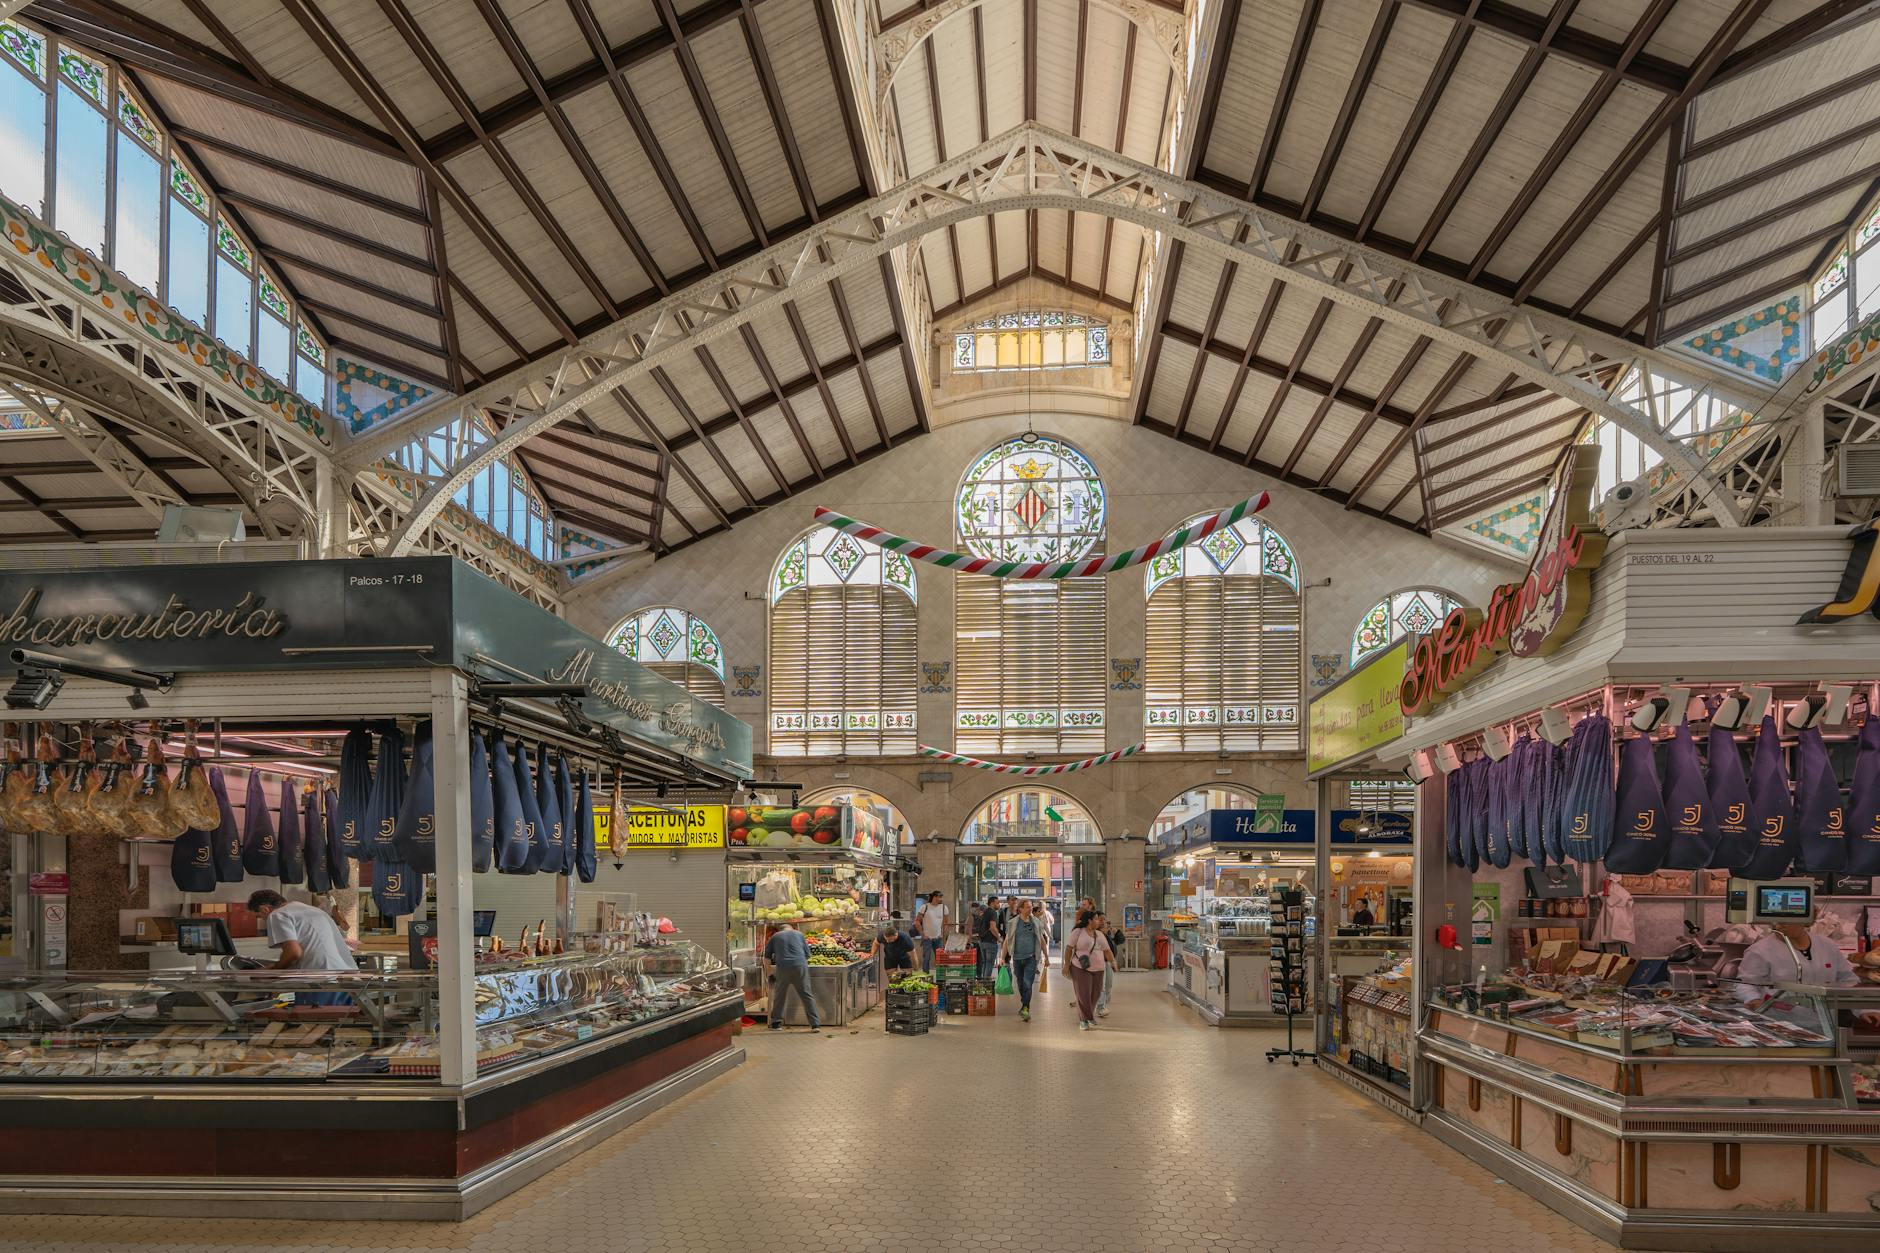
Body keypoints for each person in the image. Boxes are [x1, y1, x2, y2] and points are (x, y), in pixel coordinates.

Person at [248, 889, 358, 1007]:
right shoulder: (313, 910)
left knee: (315, 1023)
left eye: (260, 916)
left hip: (319, 982)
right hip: (345, 978)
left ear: (265, 909)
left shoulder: (277, 914)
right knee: (340, 1021)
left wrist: (273, 971)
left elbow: (293, 953)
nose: (264, 920)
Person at [1735, 921, 1858, 1004]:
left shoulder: (1827, 945)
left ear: (1805, 921)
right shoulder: (1760, 950)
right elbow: (1746, 983)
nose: (1780, 927)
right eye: (1776, 922)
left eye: (1787, 922)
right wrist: (1752, 1000)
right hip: (1778, 1020)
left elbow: (1848, 980)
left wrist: (1863, 1010)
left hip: (1826, 1020)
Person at [763, 921, 821, 1031]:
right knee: (806, 994)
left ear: (780, 929)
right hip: (800, 966)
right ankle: (815, 1025)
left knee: (780, 995)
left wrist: (770, 973)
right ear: (791, 928)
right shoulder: (799, 934)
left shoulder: (775, 936)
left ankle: (776, 1023)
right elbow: (808, 955)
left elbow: (766, 958)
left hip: (783, 967)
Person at [1064, 908, 1113, 1030]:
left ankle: (1088, 1016)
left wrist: (1113, 962)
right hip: (1080, 967)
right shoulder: (1078, 932)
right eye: (1096, 919)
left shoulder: (1100, 934)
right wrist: (1066, 964)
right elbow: (1069, 948)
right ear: (1089, 920)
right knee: (1083, 994)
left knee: (1096, 994)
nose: (1099, 921)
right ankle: (1084, 1020)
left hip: (1099, 969)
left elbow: (1107, 950)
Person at [1000, 898, 1046, 1021]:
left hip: (1031, 958)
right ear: (1020, 909)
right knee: (1020, 984)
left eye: (1031, 906)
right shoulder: (1013, 923)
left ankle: (1025, 1008)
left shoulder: (1036, 922)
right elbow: (1006, 941)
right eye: (1027, 907)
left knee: (1027, 983)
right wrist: (1002, 957)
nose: (1030, 909)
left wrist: (1046, 957)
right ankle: (1024, 1005)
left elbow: (1041, 940)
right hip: (1017, 958)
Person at [1095, 914, 1126, 1018]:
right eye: (1101, 919)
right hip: (1100, 962)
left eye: (1105, 919)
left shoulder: (1108, 932)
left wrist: (1117, 932)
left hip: (1108, 962)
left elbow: (1120, 940)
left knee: (1108, 984)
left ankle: (1103, 1003)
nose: (1103, 921)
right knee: (1102, 986)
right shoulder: (1095, 933)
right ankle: (1101, 1007)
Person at [917, 890, 948, 971]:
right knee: (926, 958)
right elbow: (917, 921)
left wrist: (942, 933)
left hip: (938, 937)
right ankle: (925, 976)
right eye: (939, 897)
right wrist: (922, 933)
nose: (941, 899)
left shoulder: (944, 907)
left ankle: (940, 977)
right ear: (934, 897)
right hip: (927, 938)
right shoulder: (924, 907)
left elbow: (946, 922)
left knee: (940, 959)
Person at [976, 895, 1005, 979]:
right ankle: (986, 983)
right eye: (997, 903)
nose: (999, 905)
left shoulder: (985, 912)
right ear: (992, 903)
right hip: (990, 942)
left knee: (985, 963)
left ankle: (984, 982)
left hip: (983, 942)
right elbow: (992, 927)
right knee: (989, 964)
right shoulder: (993, 912)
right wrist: (999, 938)